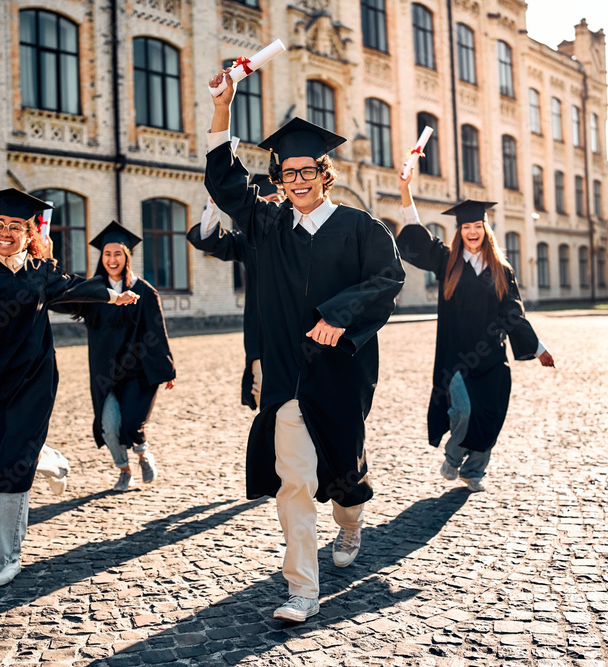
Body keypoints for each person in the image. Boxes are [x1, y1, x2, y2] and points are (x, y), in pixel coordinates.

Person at [205, 69, 405, 623]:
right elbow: (224, 182)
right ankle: (301, 589)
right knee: (294, 479)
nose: (297, 179)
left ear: (325, 173)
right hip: (290, 374)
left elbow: (388, 280)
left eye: (307, 171)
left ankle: (351, 522)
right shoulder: (268, 226)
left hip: (342, 371)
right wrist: (224, 108)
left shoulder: (362, 227)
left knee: (343, 473)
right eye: (288, 172)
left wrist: (338, 318)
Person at [0, 124, 137, 588]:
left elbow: (80, 289)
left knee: (8, 467)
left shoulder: (42, 273)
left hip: (34, 381)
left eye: (13, 227)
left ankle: (5, 558)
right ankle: (52, 460)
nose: (3, 232)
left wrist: (113, 295)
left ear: (29, 233)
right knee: (14, 451)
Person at [395, 167, 554, 494]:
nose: (472, 232)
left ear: (486, 229)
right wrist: (404, 188)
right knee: (465, 411)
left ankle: (475, 471)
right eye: (467, 226)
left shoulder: (501, 270)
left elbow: (514, 312)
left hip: (492, 359)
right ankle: (454, 456)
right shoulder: (447, 261)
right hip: (456, 358)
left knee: (492, 415)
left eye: (477, 226)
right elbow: (415, 231)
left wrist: (538, 348)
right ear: (460, 230)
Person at [54, 222, 176, 492]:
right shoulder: (93, 291)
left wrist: (167, 369)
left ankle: (143, 454)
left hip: (137, 372)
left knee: (131, 423)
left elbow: (157, 330)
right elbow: (62, 300)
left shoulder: (144, 292)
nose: (112, 259)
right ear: (102, 257)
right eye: (107, 254)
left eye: (118, 253)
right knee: (108, 427)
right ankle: (124, 470)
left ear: (127, 256)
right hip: (105, 373)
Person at [187, 174, 282, 409]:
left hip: (299, 334)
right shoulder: (248, 242)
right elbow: (210, 240)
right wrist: (214, 206)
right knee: (262, 390)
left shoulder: (302, 236)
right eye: (266, 201)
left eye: (277, 199)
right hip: (262, 333)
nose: (273, 206)